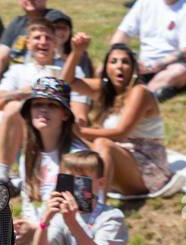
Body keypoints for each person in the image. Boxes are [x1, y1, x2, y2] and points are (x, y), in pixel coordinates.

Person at [63, 37, 168, 195]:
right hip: (120, 158)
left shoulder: (140, 92)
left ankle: (94, 204)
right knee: (66, 136)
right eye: (113, 62)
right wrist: (77, 52)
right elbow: (66, 83)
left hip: (147, 169)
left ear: (133, 69)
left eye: (125, 62)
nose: (119, 66)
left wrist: (81, 131)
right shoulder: (105, 89)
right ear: (106, 68)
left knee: (102, 143)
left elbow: (121, 133)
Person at [0, 19, 81, 183]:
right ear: (28, 43)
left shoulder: (69, 69)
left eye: (48, 38)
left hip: (59, 128)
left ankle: (20, 174)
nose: (43, 42)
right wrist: (23, 92)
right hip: (26, 129)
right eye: (37, 38)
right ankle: (2, 175)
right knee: (12, 108)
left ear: (56, 43)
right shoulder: (18, 70)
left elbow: (79, 107)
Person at [9, 78, 87, 245]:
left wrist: (37, 229)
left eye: (52, 105)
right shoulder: (28, 155)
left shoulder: (78, 157)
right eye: (37, 104)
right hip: (42, 241)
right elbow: (30, 207)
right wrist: (22, 228)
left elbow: (86, 217)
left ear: (65, 114)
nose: (43, 109)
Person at [0, 0, 69, 102]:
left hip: (42, 84)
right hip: (15, 81)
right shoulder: (16, 23)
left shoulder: (55, 19)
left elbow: (59, 52)